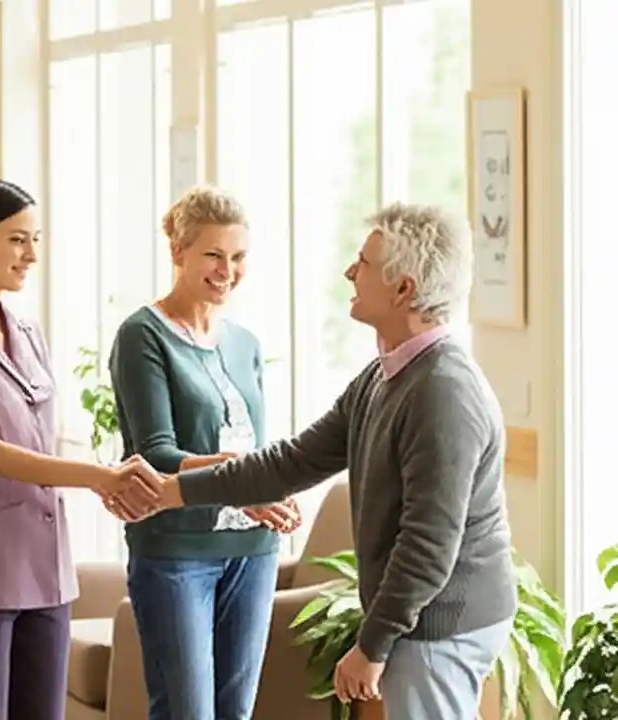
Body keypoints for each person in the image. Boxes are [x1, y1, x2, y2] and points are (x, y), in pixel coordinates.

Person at [123, 202, 517, 719]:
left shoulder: (442, 392)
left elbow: (428, 544)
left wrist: (371, 647)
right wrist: (176, 489)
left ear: (403, 288)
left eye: (365, 263)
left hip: (446, 620)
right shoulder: (386, 376)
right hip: (425, 615)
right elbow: (293, 461)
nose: (350, 271)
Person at [0, 176, 160, 720]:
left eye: (35, 239)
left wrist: (116, 477)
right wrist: (97, 476)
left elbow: (42, 437)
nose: (32, 255)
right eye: (18, 239)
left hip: (46, 569)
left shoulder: (29, 333)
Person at [105, 185, 303, 720]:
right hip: (176, 552)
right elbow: (157, 456)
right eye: (213, 255)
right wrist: (247, 481)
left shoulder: (246, 344)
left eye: (238, 257)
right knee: (186, 713)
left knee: (234, 713)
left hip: (253, 550)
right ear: (178, 253)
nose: (228, 269)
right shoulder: (141, 336)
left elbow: (256, 449)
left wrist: (272, 489)